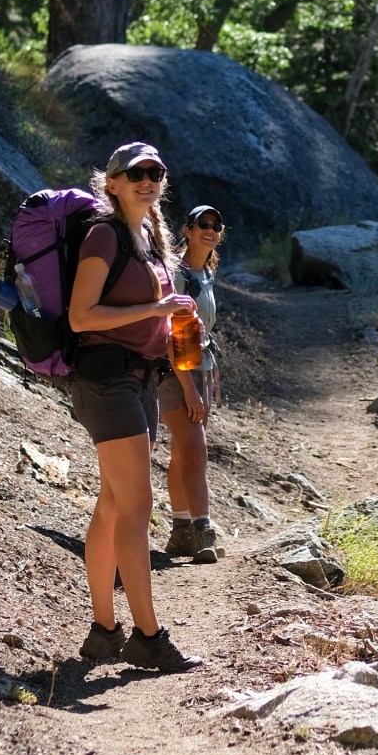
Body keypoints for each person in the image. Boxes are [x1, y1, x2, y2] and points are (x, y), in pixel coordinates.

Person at [66, 142, 203, 672]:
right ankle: (148, 636)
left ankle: (104, 630)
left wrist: (174, 329)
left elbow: (157, 315)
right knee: (137, 507)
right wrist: (156, 307)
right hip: (108, 379)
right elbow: (81, 317)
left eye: (156, 172)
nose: (148, 180)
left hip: (141, 381)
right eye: (136, 173)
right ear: (114, 183)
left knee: (113, 503)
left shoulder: (149, 237)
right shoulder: (103, 235)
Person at [161, 204, 225, 563]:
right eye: (203, 223)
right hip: (174, 370)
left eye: (216, 225)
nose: (210, 229)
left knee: (182, 451)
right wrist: (187, 387)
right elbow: (171, 333)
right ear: (187, 230)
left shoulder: (205, 273)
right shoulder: (178, 274)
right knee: (195, 449)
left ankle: (181, 531)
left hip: (197, 367)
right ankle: (204, 530)